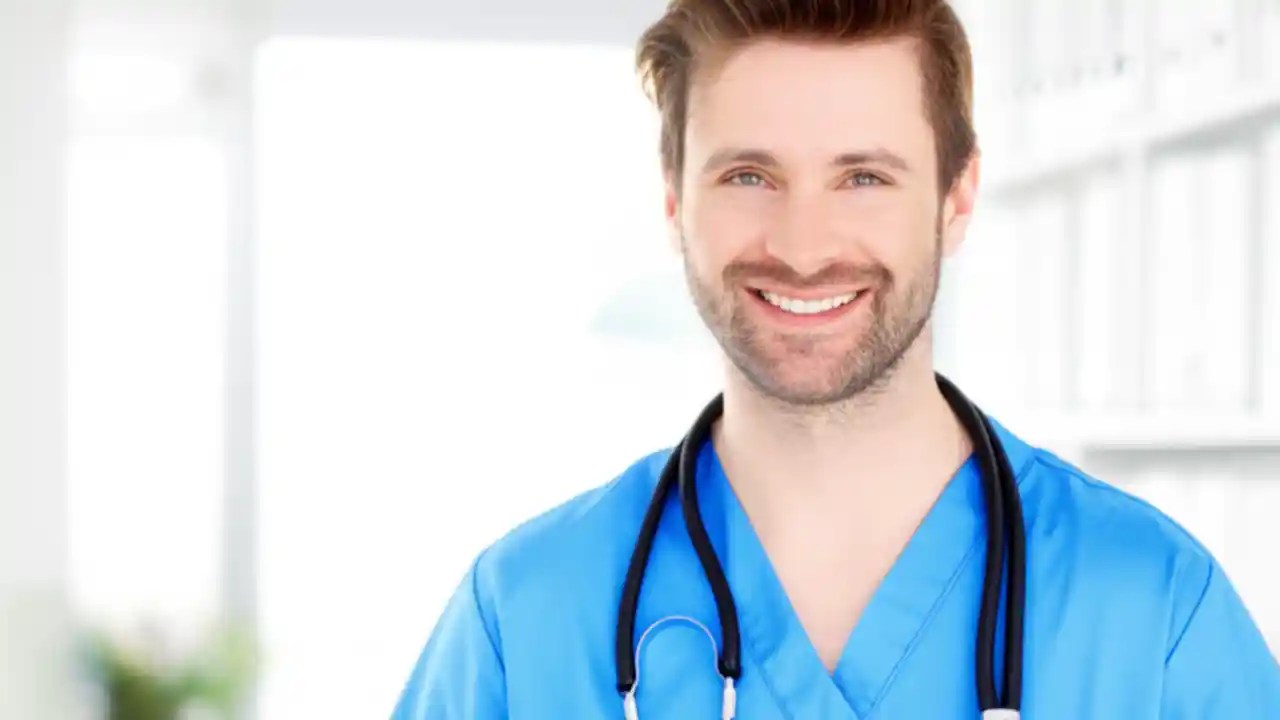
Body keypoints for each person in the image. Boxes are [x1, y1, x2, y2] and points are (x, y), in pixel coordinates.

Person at [392, 0, 1280, 717]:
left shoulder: (1154, 612)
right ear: (673, 203)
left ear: (956, 198)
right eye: (749, 176)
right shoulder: (526, 619)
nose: (803, 247)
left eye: (864, 177)